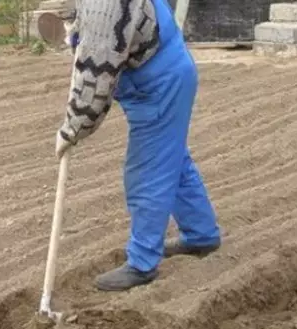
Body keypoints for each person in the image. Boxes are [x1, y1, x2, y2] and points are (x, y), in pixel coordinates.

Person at [55, 0, 221, 292]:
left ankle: (142, 263)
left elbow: (96, 78)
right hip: (168, 74)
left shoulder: (103, 4)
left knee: (147, 171)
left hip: (158, 87)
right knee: (172, 159)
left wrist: (71, 130)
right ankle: (201, 234)